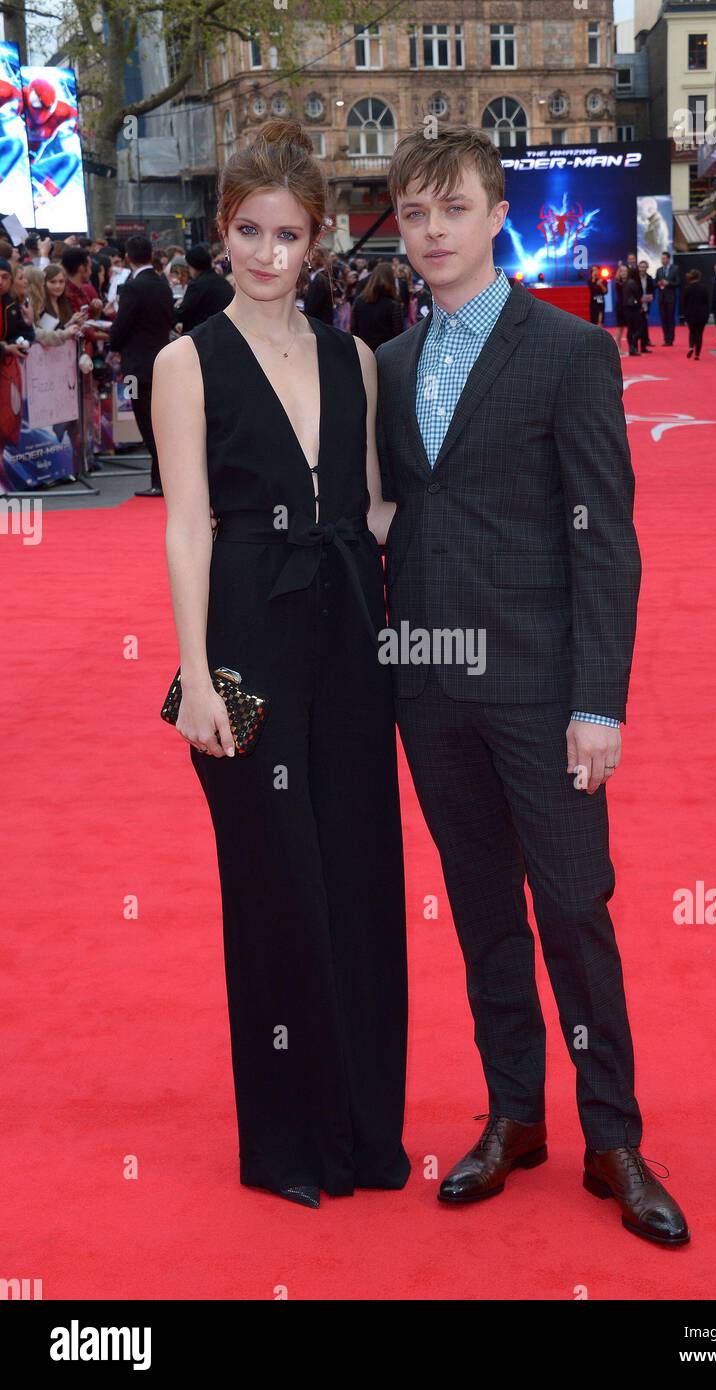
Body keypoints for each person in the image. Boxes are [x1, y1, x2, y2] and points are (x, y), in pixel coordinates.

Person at [374, 124, 689, 1246]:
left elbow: (607, 536)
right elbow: (392, 521)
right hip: (430, 687)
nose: (432, 232)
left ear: (496, 213)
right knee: (480, 915)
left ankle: (613, 1132)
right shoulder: (393, 365)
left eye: (451, 209)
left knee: (571, 908)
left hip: (544, 688)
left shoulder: (568, 352)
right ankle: (515, 1113)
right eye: (413, 214)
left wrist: (599, 700)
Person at [152, 119, 409, 1209]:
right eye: (248, 231)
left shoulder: (353, 356)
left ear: (320, 240)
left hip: (351, 633)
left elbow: (377, 507)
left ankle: (361, 1130)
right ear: (223, 234)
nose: (266, 254)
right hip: (248, 645)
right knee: (277, 886)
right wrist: (196, 677)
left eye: (287, 234)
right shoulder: (184, 360)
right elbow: (186, 526)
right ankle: (292, 1139)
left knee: (361, 876)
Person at [108, 233, 176, 497]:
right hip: (160, 363)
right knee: (157, 423)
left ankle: (161, 480)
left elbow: (122, 325)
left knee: (148, 425)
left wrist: (113, 342)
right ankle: (161, 478)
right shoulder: (162, 284)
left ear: (127, 258)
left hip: (138, 369)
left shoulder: (134, 287)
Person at [174, 243, 234, 332]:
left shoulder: (197, 285)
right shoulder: (223, 282)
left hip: (205, 336)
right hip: (226, 331)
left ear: (193, 266)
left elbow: (183, 312)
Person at [350, 261, 404, 350]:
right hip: (386, 352)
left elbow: (354, 329)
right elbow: (398, 334)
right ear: (391, 279)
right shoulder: (393, 305)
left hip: (364, 350)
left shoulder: (359, 301)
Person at [681, 268, 709, 359]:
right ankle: (697, 354)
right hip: (702, 314)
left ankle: (691, 347)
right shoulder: (704, 288)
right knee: (699, 334)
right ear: (699, 277)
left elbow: (684, 303)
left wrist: (685, 316)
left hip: (690, 314)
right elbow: (707, 302)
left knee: (692, 332)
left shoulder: (687, 288)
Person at [654, 250, 679, 345]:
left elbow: (678, 283)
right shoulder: (659, 270)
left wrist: (668, 283)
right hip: (661, 298)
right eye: (661, 259)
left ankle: (671, 339)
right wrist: (658, 283)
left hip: (671, 297)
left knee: (670, 318)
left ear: (668, 259)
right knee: (663, 319)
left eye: (664, 258)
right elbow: (655, 284)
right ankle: (666, 338)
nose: (662, 260)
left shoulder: (675, 269)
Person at [622, 265, 643, 356]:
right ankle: (633, 347)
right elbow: (637, 296)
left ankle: (631, 347)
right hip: (634, 308)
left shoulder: (626, 282)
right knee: (638, 329)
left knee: (630, 329)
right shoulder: (633, 283)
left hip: (626, 308)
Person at [637, 258, 654, 350]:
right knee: (637, 326)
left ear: (647, 268)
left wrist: (650, 297)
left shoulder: (649, 278)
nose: (642, 269)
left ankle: (644, 346)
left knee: (644, 325)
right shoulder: (635, 278)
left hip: (646, 304)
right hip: (636, 305)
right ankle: (634, 346)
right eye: (641, 267)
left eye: (644, 267)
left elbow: (652, 291)